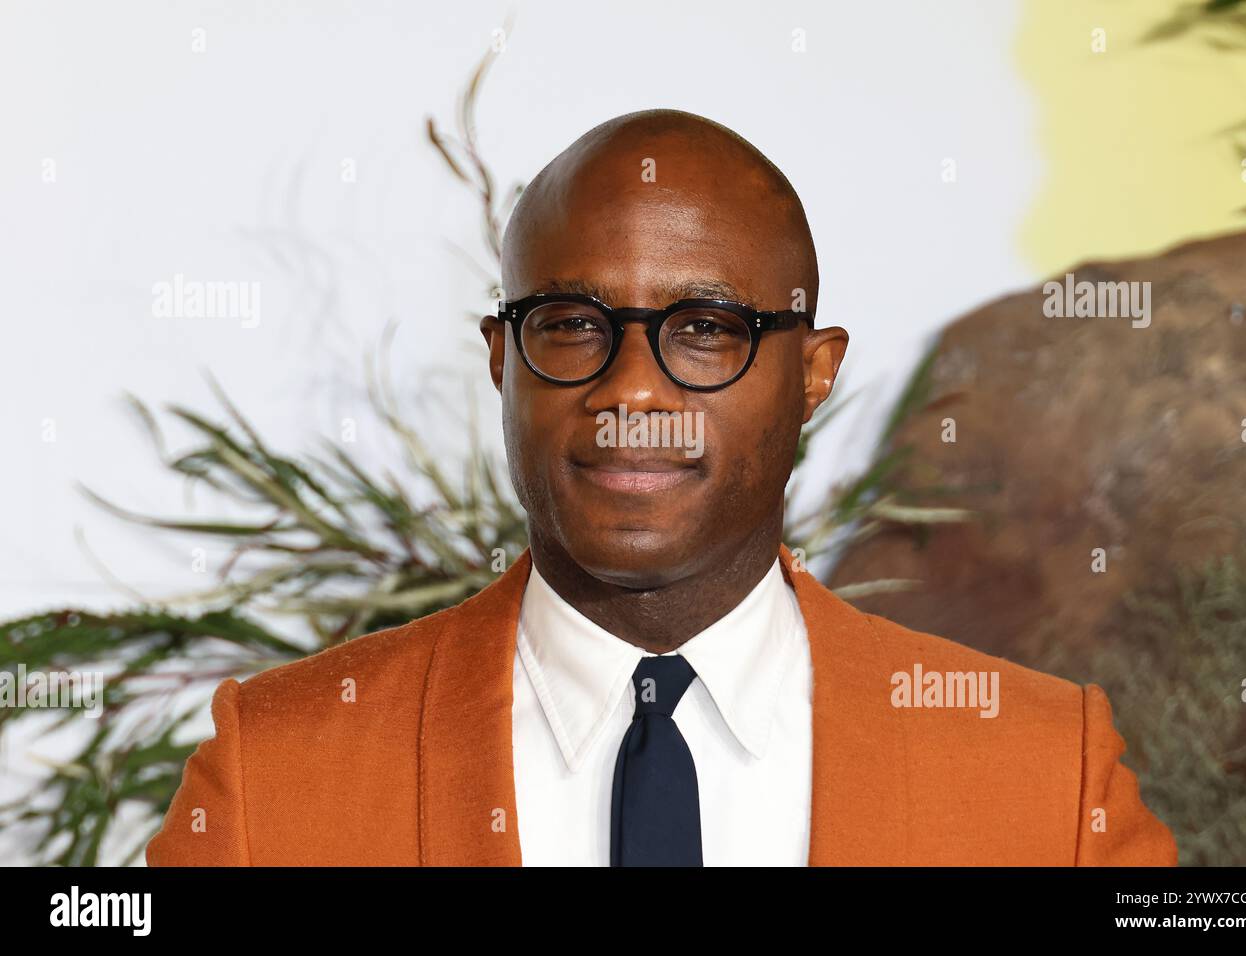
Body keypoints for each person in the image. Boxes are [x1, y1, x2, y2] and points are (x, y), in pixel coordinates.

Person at [146, 109, 1177, 866]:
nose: (631, 389)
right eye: (570, 323)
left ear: (814, 372)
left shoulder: (1046, 775)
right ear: (501, 360)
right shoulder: (274, 778)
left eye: (705, 329)